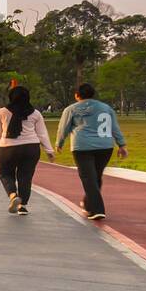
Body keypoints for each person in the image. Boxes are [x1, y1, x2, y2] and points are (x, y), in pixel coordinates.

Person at [55, 83, 128, 220]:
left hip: (83, 147)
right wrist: (122, 144)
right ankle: (89, 204)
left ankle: (97, 209)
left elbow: (63, 128)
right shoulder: (106, 108)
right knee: (95, 176)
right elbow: (114, 127)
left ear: (77, 95)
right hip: (105, 147)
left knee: (88, 177)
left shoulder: (72, 109)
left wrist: (59, 143)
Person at [0, 85, 54, 215]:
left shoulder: (1, 112)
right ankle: (22, 206)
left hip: (8, 148)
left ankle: (13, 195)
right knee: (25, 176)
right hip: (31, 148)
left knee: (6, 173)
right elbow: (42, 133)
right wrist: (49, 150)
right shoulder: (35, 113)